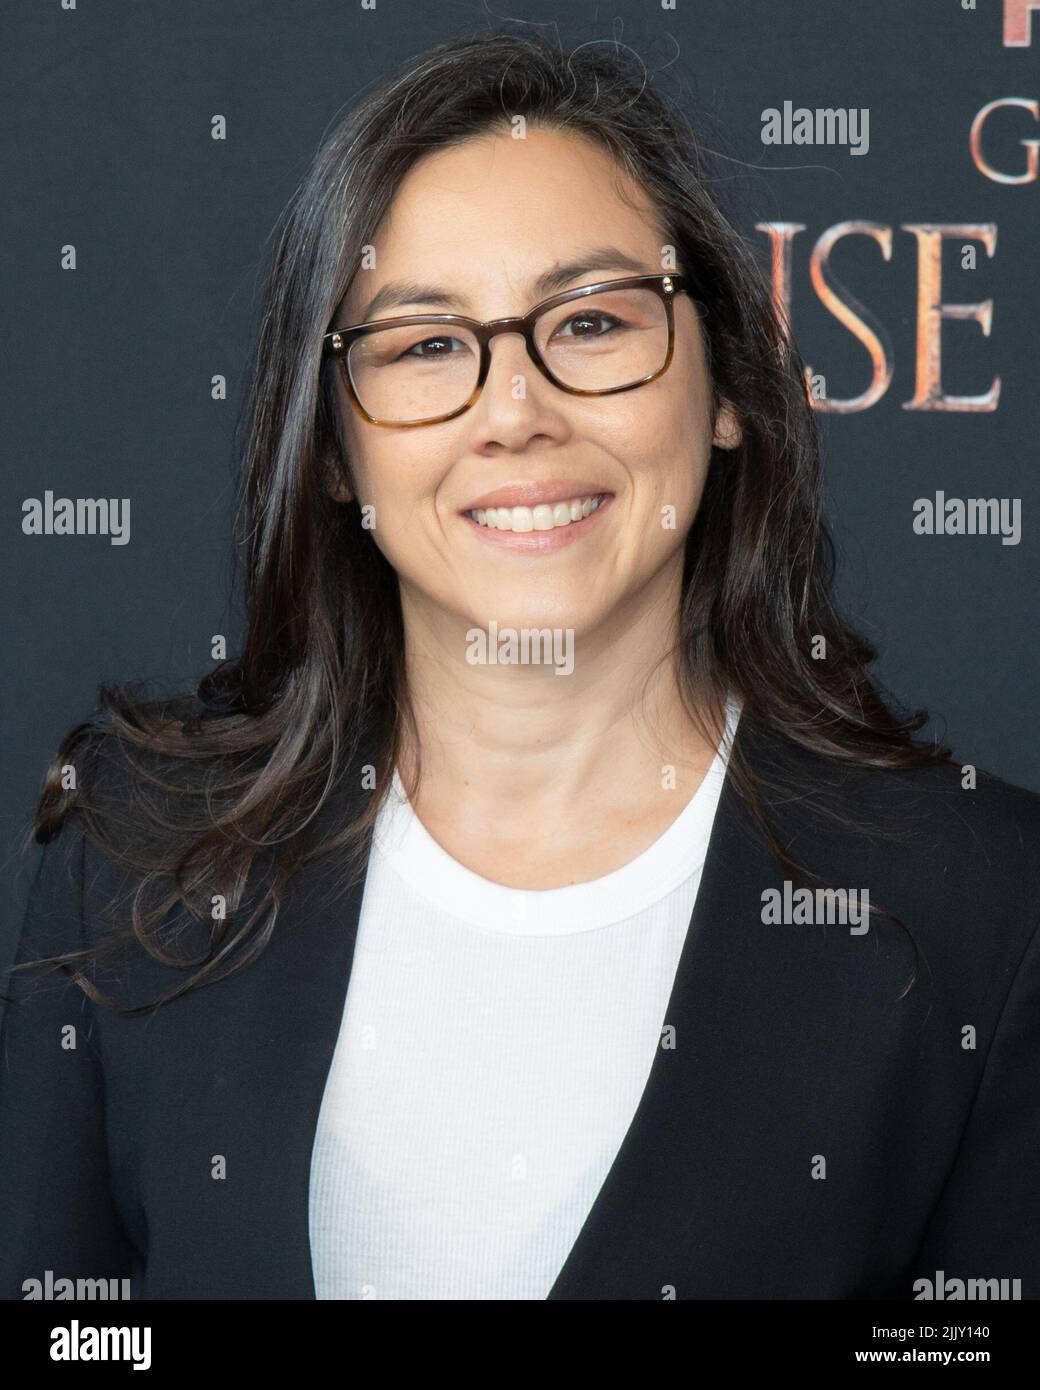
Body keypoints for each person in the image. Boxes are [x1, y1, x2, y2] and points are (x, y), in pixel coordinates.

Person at [2, 32, 1039, 1302]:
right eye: (426, 345)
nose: (514, 410)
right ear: (332, 451)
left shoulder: (981, 911)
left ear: (725, 389)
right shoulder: (132, 860)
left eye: (592, 322)